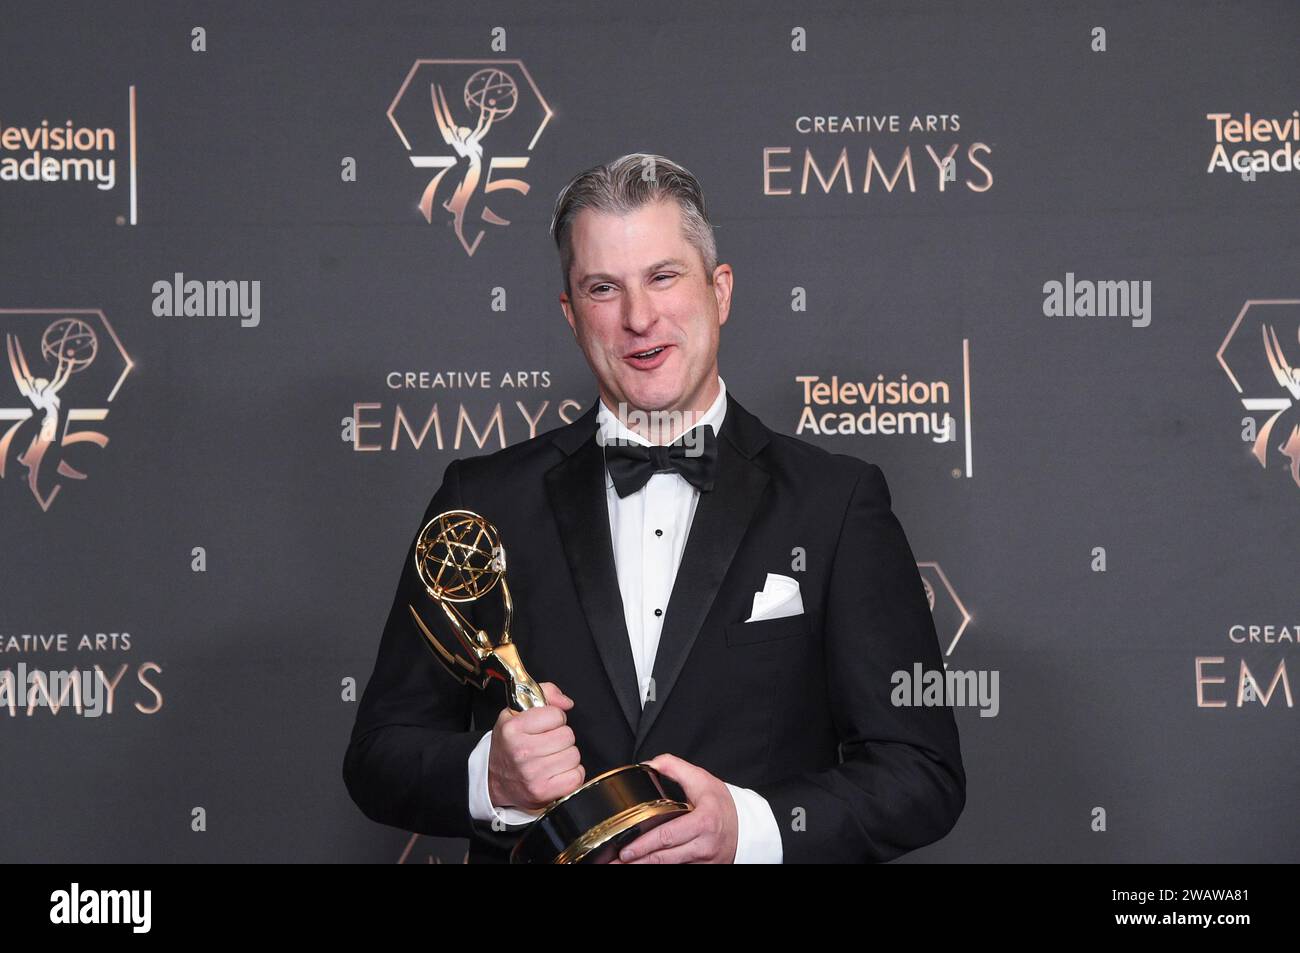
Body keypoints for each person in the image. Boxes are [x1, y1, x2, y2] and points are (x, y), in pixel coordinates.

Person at [343, 153, 965, 863]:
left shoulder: (836, 503)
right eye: (603, 287)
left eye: (663, 276)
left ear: (719, 290)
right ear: (571, 313)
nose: (639, 317)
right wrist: (488, 777)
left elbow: (923, 772)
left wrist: (750, 826)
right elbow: (377, 758)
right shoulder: (480, 502)